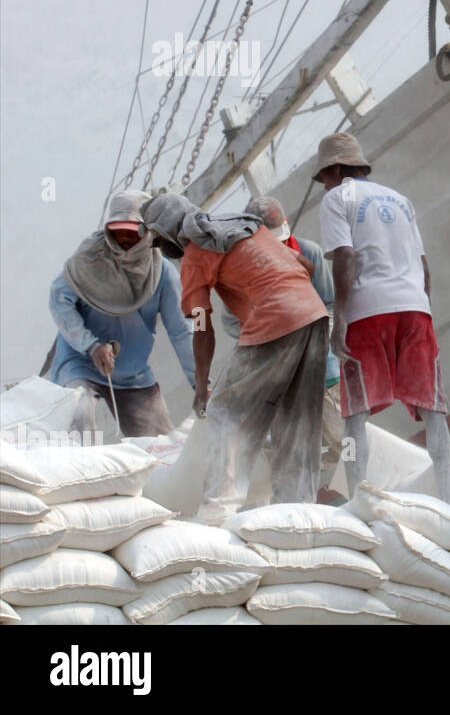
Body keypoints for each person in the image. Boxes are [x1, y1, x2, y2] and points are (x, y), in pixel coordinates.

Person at [141, 192, 329, 524]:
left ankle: (218, 509)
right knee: (296, 422)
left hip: (276, 322)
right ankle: (299, 513)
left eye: (158, 238)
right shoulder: (243, 226)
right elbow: (306, 266)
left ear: (170, 230)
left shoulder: (197, 253)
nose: (160, 248)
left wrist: (202, 387)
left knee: (224, 415)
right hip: (313, 317)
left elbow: (201, 326)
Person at [313, 132, 450, 505]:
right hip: (414, 309)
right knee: (433, 408)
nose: (323, 184)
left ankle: (360, 498)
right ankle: (448, 500)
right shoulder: (401, 200)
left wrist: (340, 317)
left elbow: (345, 256)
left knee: (354, 414)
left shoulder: (336, 198)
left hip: (367, 313)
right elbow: (424, 267)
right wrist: (422, 311)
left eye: (324, 176)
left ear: (337, 169)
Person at [48, 190, 195, 437]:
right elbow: (59, 300)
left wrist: (200, 383)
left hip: (132, 372)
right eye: (117, 231)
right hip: (81, 364)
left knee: (160, 447)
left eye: (132, 231)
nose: (124, 239)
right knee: (79, 413)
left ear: (147, 231)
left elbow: (182, 331)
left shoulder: (163, 273)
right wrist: (92, 347)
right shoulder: (87, 259)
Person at [221, 196, 344, 492]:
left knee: (346, 443)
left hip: (324, 374)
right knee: (295, 455)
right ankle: (300, 510)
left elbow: (329, 303)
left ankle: (356, 490)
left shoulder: (309, 252)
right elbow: (232, 322)